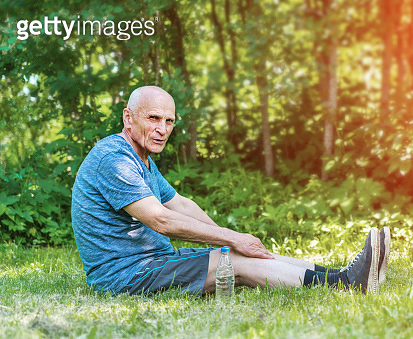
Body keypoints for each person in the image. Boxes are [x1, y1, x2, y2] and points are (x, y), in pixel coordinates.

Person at [71, 86, 391, 296]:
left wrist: (232, 239)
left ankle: (340, 275)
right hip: (127, 277)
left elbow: (180, 204)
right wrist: (233, 240)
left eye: (169, 121)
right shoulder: (113, 159)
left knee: (235, 253)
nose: (163, 129)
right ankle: (347, 285)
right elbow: (162, 221)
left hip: (156, 262)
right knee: (233, 261)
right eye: (153, 118)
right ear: (128, 118)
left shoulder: (142, 161)